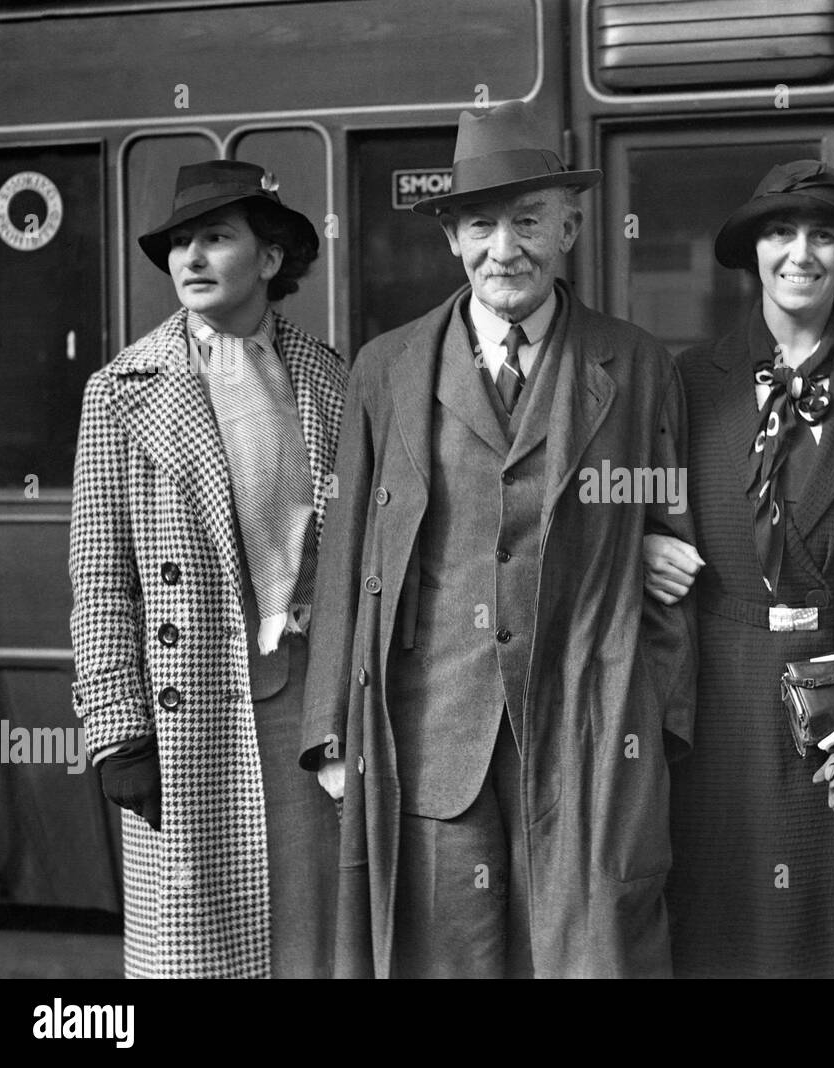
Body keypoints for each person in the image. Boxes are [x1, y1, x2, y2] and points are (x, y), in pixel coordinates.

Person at [299, 99, 696, 979]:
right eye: (481, 224)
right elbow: (347, 551)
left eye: (527, 222)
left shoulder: (634, 365)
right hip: (433, 727)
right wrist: (332, 730)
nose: (504, 249)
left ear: (571, 227)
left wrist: (659, 724)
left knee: (592, 950)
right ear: (450, 236)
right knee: (447, 957)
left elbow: (672, 544)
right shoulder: (386, 367)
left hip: (589, 724)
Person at [645, 161, 834, 978]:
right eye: (781, 232)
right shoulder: (687, 379)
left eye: (824, 235)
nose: (801, 253)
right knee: (736, 934)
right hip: (726, 695)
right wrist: (638, 539)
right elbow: (637, 489)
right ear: (754, 251)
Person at [69, 160, 345, 977]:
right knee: (199, 952)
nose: (189, 257)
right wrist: (119, 730)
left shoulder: (333, 376)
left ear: (269, 259)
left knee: (312, 940)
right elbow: (100, 579)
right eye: (180, 242)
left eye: (215, 238)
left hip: (306, 703)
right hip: (189, 715)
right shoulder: (120, 391)